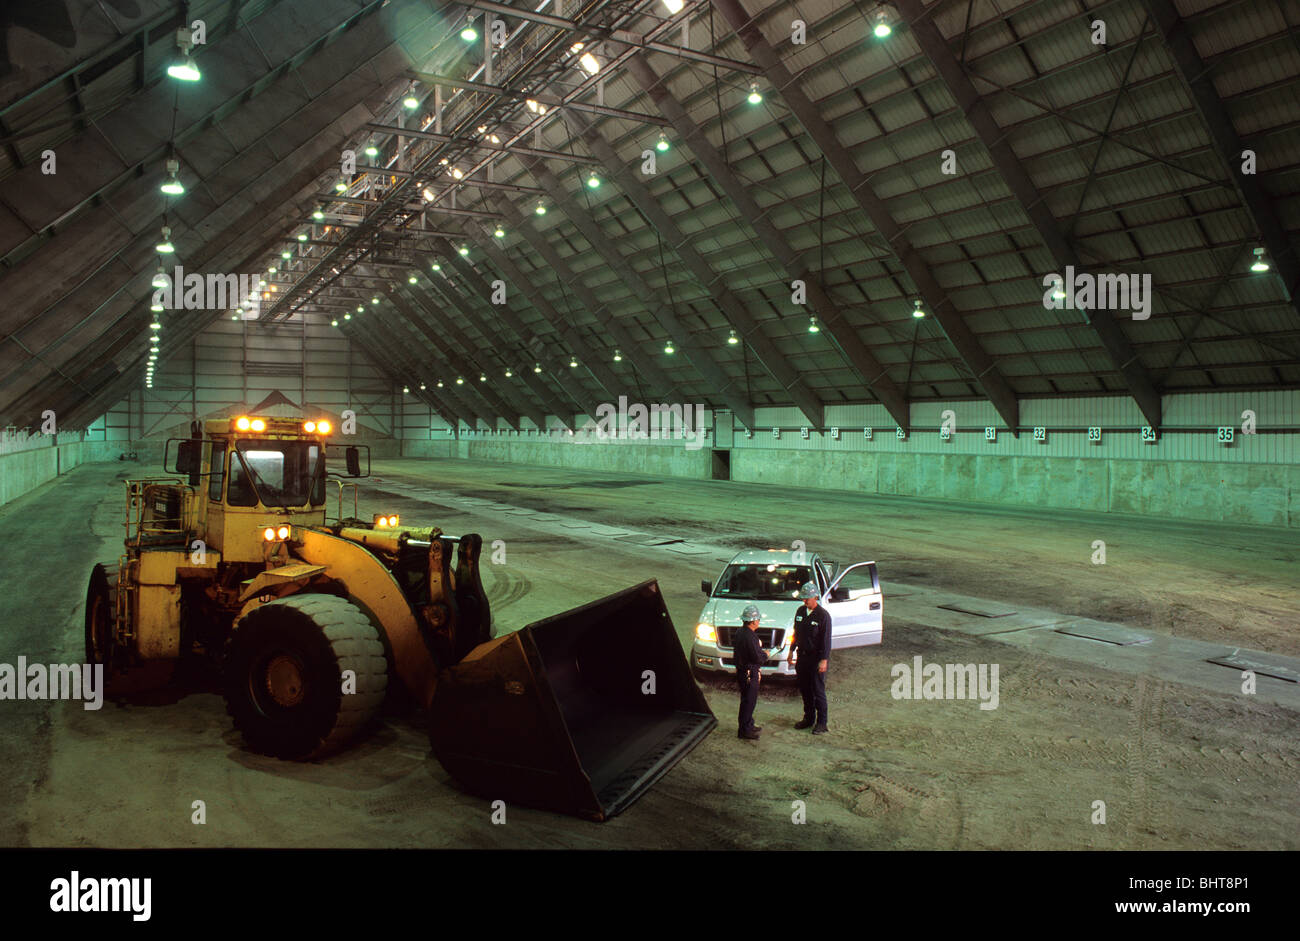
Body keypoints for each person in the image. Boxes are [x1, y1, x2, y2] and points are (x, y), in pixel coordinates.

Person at [789, 581, 831, 734]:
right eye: (803, 598)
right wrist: (791, 651)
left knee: (818, 691)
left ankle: (822, 723)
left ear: (816, 597)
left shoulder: (823, 616)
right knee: (805, 689)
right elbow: (796, 633)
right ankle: (808, 718)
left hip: (816, 659)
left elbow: (826, 640)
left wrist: (824, 660)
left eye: (807, 598)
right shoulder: (800, 611)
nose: (805, 601)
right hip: (802, 658)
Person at [733, 604, 767, 740]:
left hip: (742, 671)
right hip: (749, 672)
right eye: (758, 619)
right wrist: (766, 655)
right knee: (749, 701)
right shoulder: (750, 637)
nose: (759, 621)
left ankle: (748, 724)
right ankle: (744, 731)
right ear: (753, 621)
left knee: (746, 700)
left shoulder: (740, 633)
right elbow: (757, 658)